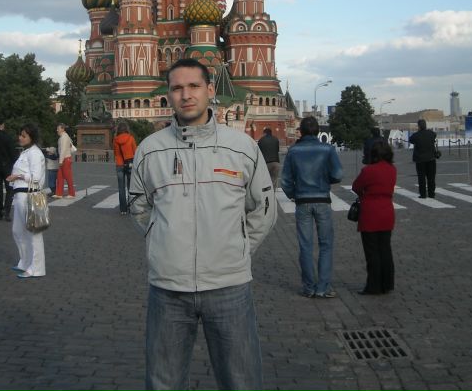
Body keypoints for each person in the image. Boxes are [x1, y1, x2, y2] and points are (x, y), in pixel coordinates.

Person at [130, 58, 277, 390]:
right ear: (168, 94)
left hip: (229, 286)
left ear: (211, 90)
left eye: (194, 86)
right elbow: (140, 207)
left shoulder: (241, 147)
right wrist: (162, 242)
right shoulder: (150, 150)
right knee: (163, 382)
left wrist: (237, 248)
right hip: (169, 287)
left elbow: (264, 208)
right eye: (177, 88)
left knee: (241, 381)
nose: (186, 95)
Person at [280, 115, 343, 299]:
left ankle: (308, 287)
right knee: (326, 244)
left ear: (301, 131)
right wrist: (326, 180)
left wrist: (293, 194)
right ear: (317, 131)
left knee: (305, 246)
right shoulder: (327, 149)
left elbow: (285, 180)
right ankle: (323, 287)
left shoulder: (293, 151)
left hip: (302, 202)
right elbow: (338, 173)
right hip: (322, 200)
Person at [351, 141, 396, 295]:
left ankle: (374, 285)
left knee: (372, 252)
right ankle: (387, 283)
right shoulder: (392, 169)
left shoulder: (368, 170)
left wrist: (364, 194)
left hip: (370, 212)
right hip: (387, 210)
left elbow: (356, 187)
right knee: (385, 249)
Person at [6, 123, 47, 279]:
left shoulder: (35, 153)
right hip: (21, 195)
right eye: (20, 135)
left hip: (30, 195)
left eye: (24, 136)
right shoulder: (26, 152)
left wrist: (18, 176)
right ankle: (25, 261)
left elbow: (36, 177)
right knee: (18, 231)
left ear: (32, 137)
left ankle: (36, 268)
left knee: (33, 233)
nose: (20, 138)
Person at [0, 121, 17, 220]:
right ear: (2, 125)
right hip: (7, 165)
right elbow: (13, 153)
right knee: (10, 188)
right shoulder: (8, 137)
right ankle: (7, 210)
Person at [408, 119, 437, 199]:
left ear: (419, 126)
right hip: (431, 159)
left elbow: (410, 140)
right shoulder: (431, 133)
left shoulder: (416, 135)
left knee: (421, 178)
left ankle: (423, 194)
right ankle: (431, 193)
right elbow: (435, 135)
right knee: (431, 178)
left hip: (420, 160)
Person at [112, 121, 137, 215]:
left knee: (121, 188)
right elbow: (135, 151)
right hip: (130, 164)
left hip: (119, 164)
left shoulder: (115, 140)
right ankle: (131, 206)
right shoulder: (131, 138)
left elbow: (115, 153)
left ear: (118, 130)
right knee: (131, 187)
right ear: (127, 129)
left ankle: (123, 209)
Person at [54, 123, 76, 198]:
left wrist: (60, 161)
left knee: (68, 177)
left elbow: (63, 150)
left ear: (62, 129)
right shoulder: (63, 137)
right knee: (60, 177)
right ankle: (59, 193)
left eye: (58, 128)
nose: (57, 130)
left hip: (65, 159)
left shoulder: (64, 137)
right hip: (65, 158)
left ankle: (71, 193)